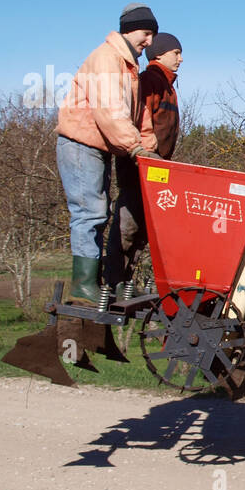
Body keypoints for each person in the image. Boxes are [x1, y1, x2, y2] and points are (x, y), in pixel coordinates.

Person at [56, 3, 158, 301]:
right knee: (89, 212)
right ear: (130, 29)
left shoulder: (129, 67)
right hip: (79, 145)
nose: (149, 42)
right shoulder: (106, 59)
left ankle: (100, 282)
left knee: (100, 212)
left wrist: (152, 154)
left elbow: (140, 118)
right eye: (146, 33)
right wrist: (135, 147)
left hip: (98, 147)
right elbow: (110, 112)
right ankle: (82, 286)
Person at [103, 32, 182, 295]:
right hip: (138, 165)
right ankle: (112, 282)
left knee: (143, 229)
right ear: (158, 54)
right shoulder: (150, 81)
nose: (181, 59)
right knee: (128, 224)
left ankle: (125, 283)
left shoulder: (169, 86)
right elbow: (139, 120)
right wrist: (143, 156)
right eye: (176, 53)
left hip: (157, 169)